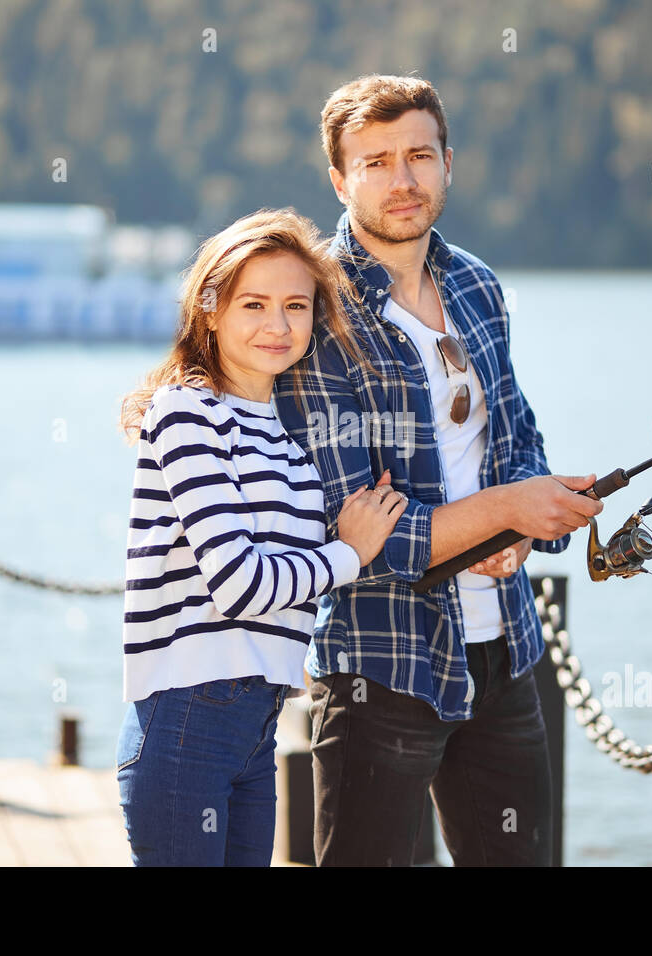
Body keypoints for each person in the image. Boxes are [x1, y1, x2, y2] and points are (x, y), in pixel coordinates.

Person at [271, 75, 604, 866]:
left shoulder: (479, 286)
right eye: (377, 161)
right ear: (339, 180)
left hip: (505, 653)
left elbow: (519, 437)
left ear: (449, 163)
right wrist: (508, 508)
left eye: (419, 155)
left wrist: (524, 529)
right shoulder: (316, 314)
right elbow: (365, 533)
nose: (403, 179)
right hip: (379, 666)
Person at [114, 208, 407, 867]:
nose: (278, 326)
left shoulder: (286, 440)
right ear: (210, 311)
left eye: (296, 306)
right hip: (187, 719)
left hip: (258, 725)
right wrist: (349, 553)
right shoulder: (189, 414)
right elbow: (240, 583)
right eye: (255, 304)